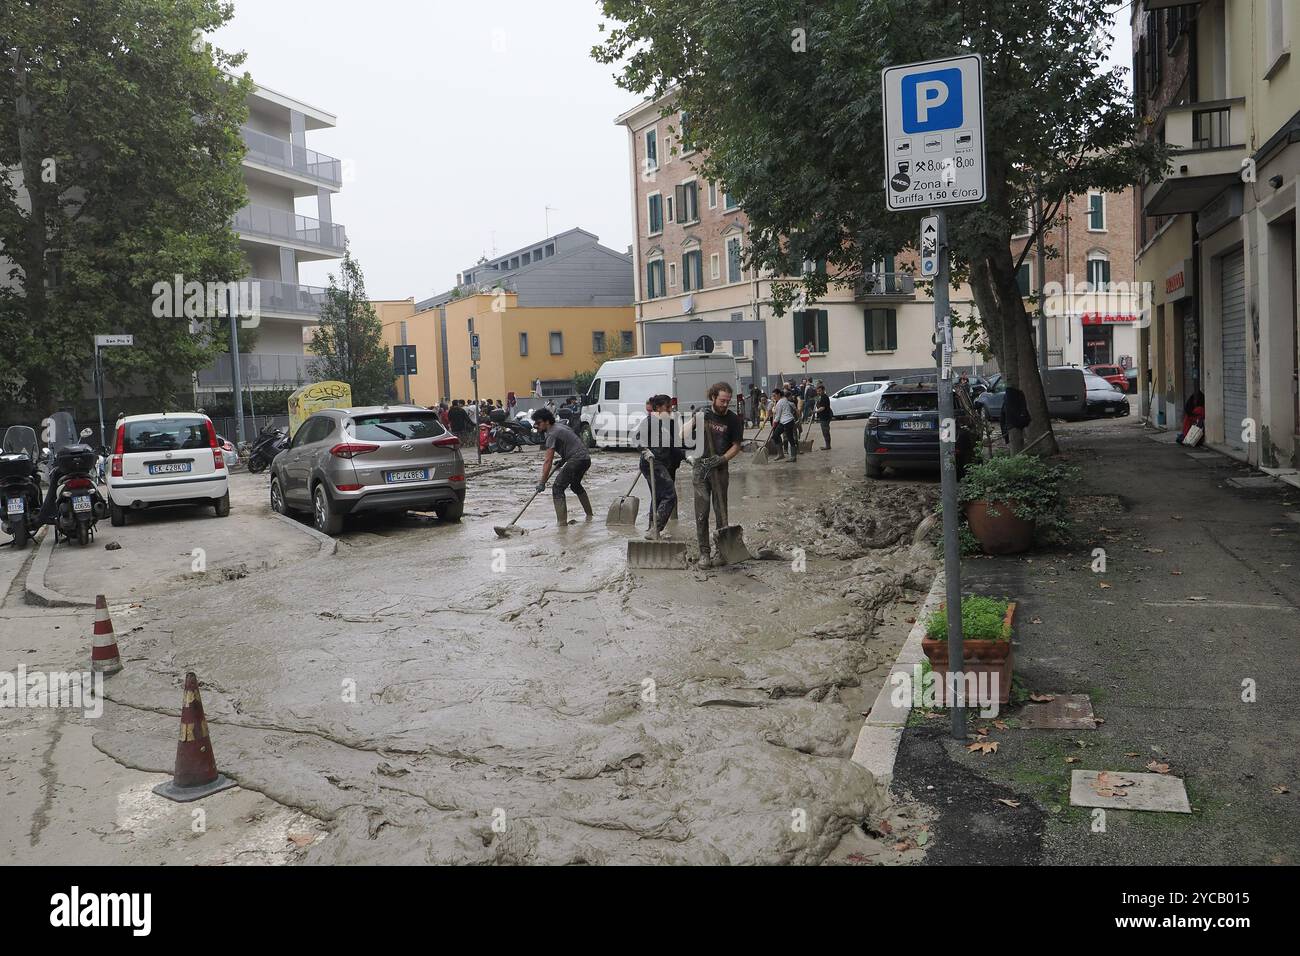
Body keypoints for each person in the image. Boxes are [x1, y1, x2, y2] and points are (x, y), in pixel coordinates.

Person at [682, 383, 744, 568]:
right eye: (722, 400)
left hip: (720, 468)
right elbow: (682, 434)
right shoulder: (703, 413)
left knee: (721, 510)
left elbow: (737, 446)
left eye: (728, 401)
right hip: (701, 469)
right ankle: (704, 553)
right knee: (701, 512)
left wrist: (722, 459)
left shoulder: (733, 420)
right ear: (713, 398)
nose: (725, 404)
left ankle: (721, 551)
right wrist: (696, 420)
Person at [531, 407, 592, 526]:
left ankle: (561, 524)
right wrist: (563, 460)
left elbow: (548, 461)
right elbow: (573, 444)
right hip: (585, 459)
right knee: (575, 485)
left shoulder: (551, 434)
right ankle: (589, 515)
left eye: (538, 423)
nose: (537, 426)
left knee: (557, 488)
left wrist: (542, 482)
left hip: (576, 460)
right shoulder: (560, 426)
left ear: (547, 422)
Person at [635, 394, 683, 538]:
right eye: (667, 407)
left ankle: (651, 528)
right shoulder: (649, 421)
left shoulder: (666, 423)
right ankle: (656, 529)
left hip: (663, 463)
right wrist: (645, 450)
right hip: (651, 463)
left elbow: (673, 446)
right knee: (670, 495)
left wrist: (686, 456)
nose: (670, 409)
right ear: (657, 408)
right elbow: (638, 439)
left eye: (671, 407)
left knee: (657, 496)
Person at [771, 386, 798, 462]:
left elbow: (777, 416)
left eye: (775, 395)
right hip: (784, 421)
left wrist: (774, 423)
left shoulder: (780, 402)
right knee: (775, 435)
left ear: (779, 394)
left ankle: (793, 456)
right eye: (773, 396)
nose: (774, 397)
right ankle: (781, 454)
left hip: (787, 422)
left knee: (790, 438)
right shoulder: (784, 399)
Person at [815, 383, 833, 450]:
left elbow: (822, 408)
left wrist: (815, 412)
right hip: (823, 417)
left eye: (819, 391)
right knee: (825, 431)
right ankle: (827, 445)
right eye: (817, 391)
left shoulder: (824, 397)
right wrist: (817, 403)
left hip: (825, 417)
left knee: (825, 431)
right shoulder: (820, 397)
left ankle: (828, 446)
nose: (818, 392)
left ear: (823, 390)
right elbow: (819, 406)